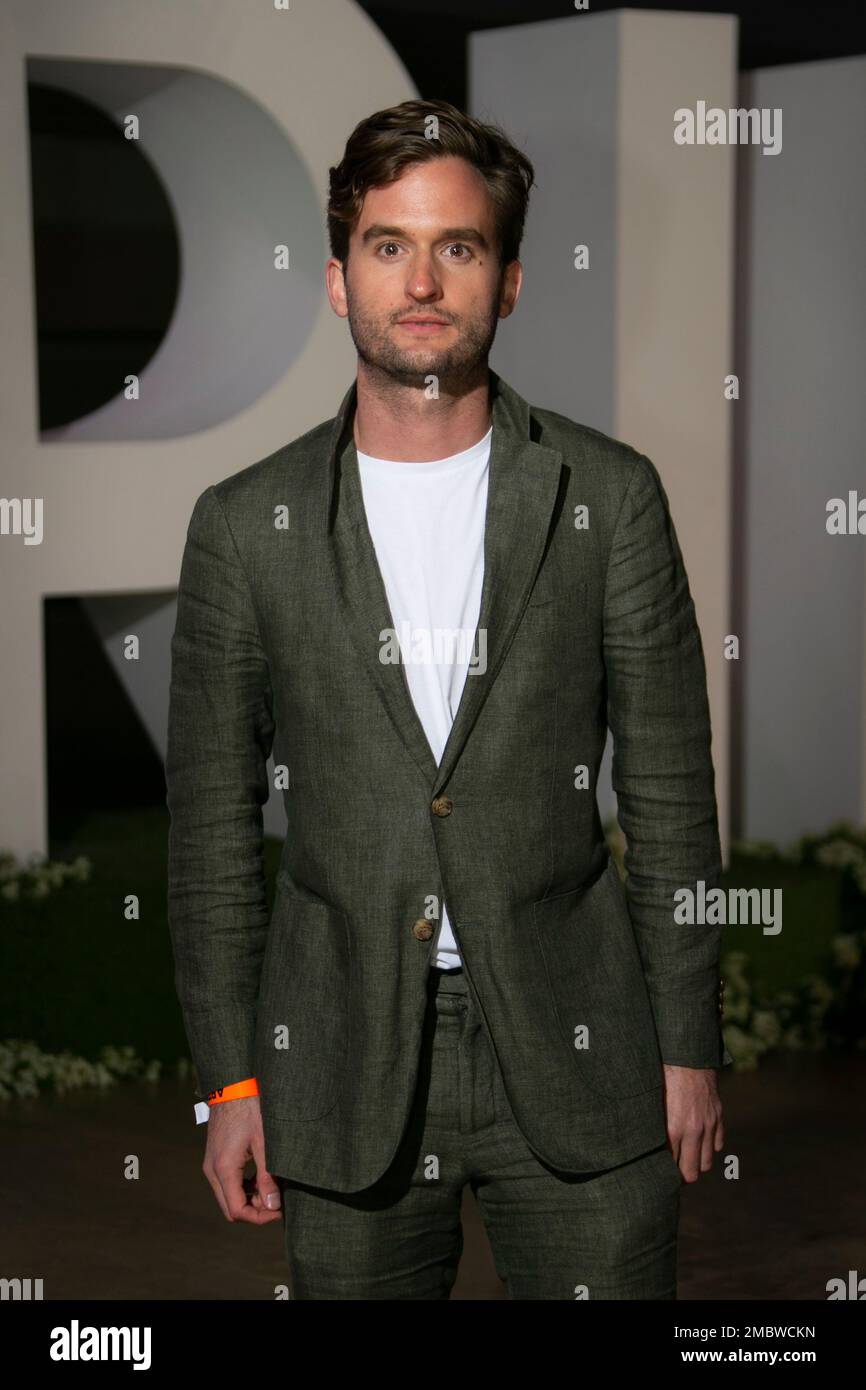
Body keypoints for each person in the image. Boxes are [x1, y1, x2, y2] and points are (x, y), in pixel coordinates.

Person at [165, 98, 730, 1300]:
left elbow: (672, 789)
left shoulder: (609, 497)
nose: (420, 279)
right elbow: (210, 828)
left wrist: (687, 1042)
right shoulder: (242, 527)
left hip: (585, 1058)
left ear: (508, 280)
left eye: (457, 247)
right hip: (338, 1058)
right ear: (337, 279)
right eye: (387, 245)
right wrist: (229, 1081)